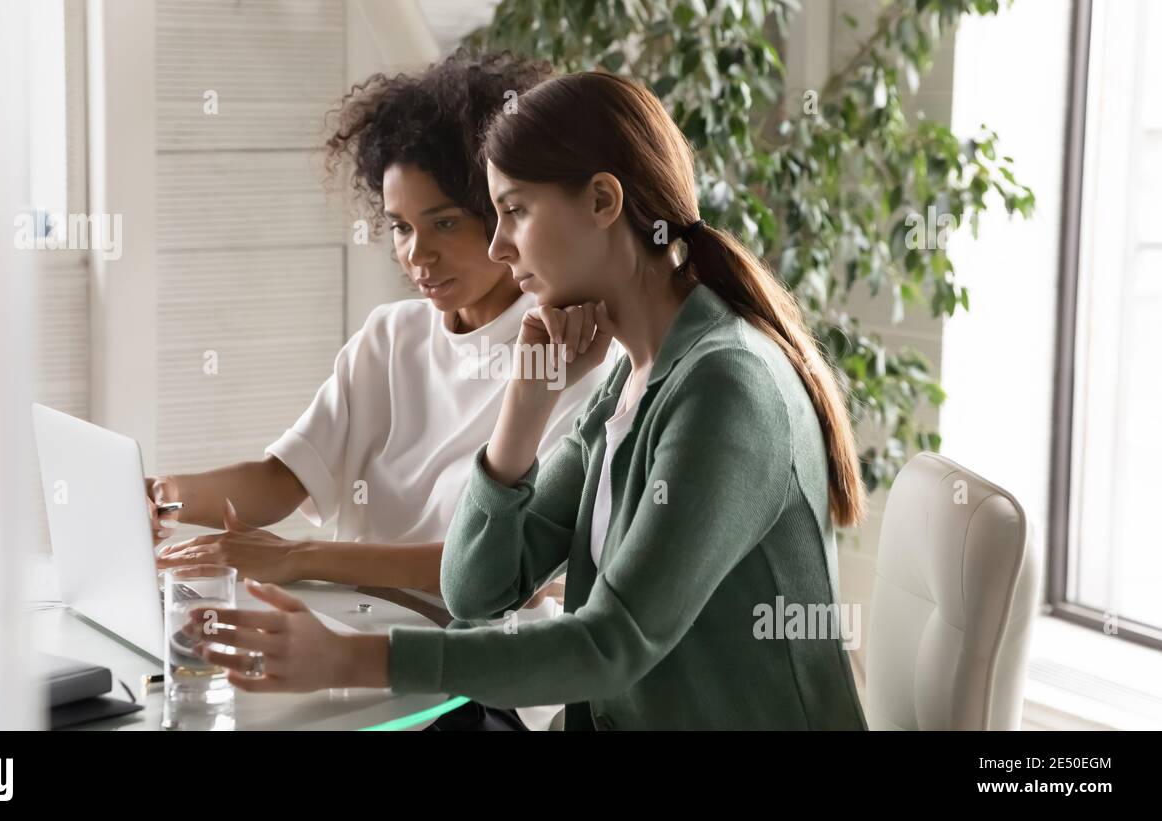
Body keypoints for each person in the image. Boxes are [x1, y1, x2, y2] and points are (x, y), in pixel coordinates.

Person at [190, 70, 869, 730]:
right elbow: (476, 590)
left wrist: (356, 656)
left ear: (604, 202)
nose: (497, 244)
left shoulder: (727, 387)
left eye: (514, 210)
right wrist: (524, 408)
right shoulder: (628, 380)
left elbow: (610, 646)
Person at [151, 52, 611, 731]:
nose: (416, 256)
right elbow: (284, 477)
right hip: (347, 634)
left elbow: (490, 572)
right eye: (400, 226)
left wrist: (296, 556)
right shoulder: (392, 336)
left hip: (472, 682)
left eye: (445, 222)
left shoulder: (567, 357)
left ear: (506, 212)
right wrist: (164, 495)